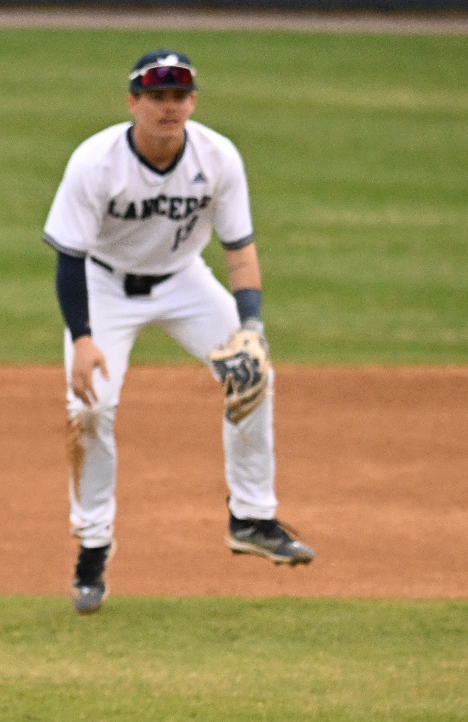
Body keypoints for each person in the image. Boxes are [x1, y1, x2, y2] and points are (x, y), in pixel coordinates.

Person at [43, 50, 315, 615]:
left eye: (180, 96)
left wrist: (252, 326)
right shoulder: (96, 162)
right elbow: (69, 259)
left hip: (184, 281)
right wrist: (84, 337)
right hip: (103, 286)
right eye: (157, 96)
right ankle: (93, 546)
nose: (169, 107)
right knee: (89, 407)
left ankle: (252, 517)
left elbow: (239, 251)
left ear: (192, 101)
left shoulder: (218, 157)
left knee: (252, 371)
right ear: (133, 102)